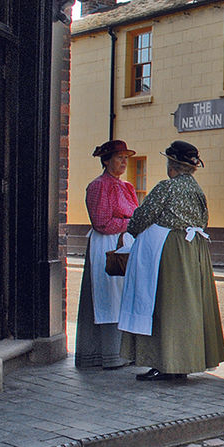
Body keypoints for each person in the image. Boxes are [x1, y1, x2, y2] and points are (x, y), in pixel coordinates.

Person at [119, 140, 224, 382]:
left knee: (166, 304)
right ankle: (183, 361)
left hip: (169, 251)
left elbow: (144, 215)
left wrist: (131, 231)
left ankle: (167, 362)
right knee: (187, 306)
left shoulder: (166, 187)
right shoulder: (197, 190)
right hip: (193, 250)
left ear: (172, 165)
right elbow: (204, 221)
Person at [74, 140, 139, 370]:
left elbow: (135, 215)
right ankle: (106, 353)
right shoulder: (98, 186)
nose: (123, 162)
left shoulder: (127, 187)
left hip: (125, 242)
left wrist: (131, 226)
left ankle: (128, 351)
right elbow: (102, 222)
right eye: (119, 157)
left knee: (126, 294)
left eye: (125, 158)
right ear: (106, 160)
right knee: (107, 294)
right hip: (106, 244)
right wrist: (129, 223)